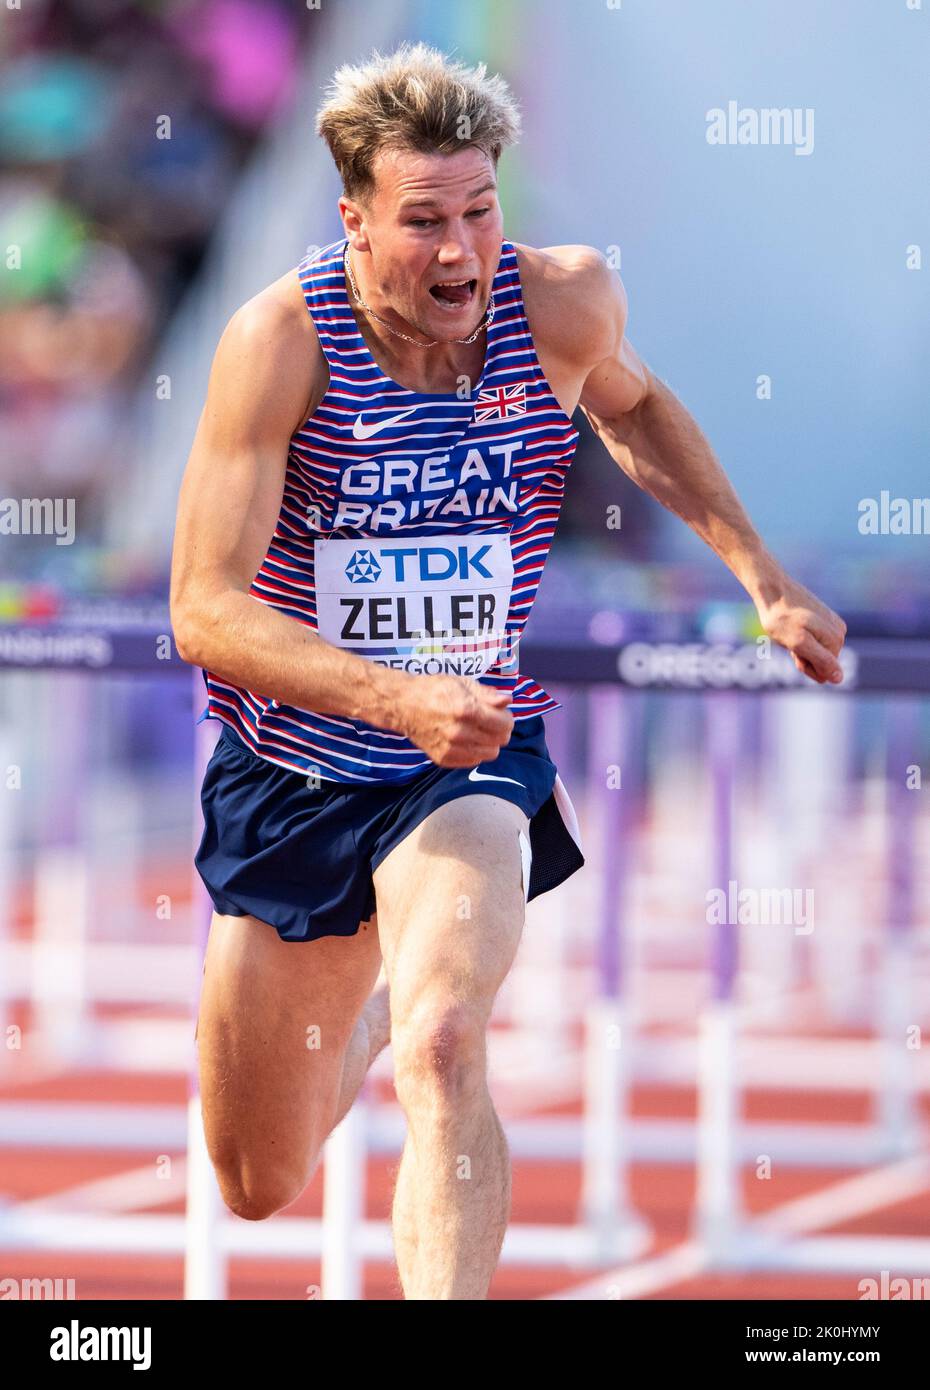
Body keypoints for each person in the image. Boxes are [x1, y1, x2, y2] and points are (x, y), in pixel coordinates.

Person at [169, 42, 846, 1300]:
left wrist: (758, 572)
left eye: (479, 210)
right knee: (257, 1179)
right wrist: (391, 691)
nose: (460, 251)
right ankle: (356, 1006)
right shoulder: (278, 343)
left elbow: (634, 409)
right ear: (355, 221)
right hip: (297, 772)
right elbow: (203, 610)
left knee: (443, 1047)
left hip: (468, 765)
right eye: (422, 220)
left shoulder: (564, 302)